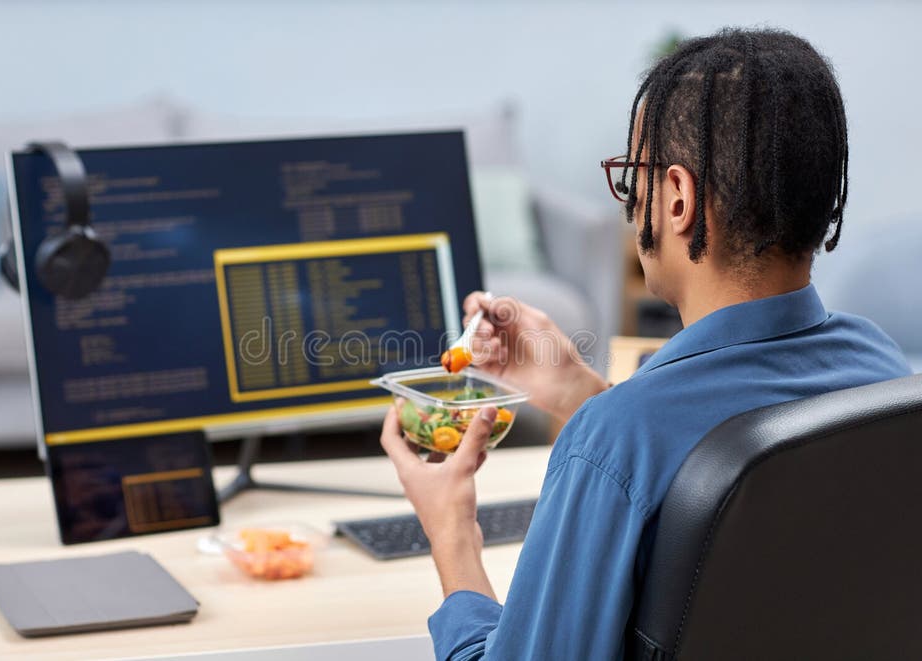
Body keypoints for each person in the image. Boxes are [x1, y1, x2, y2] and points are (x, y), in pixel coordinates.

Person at [379, 28, 911, 660]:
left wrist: (452, 531)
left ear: (678, 199)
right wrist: (581, 394)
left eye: (634, 176)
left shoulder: (619, 439)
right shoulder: (884, 373)